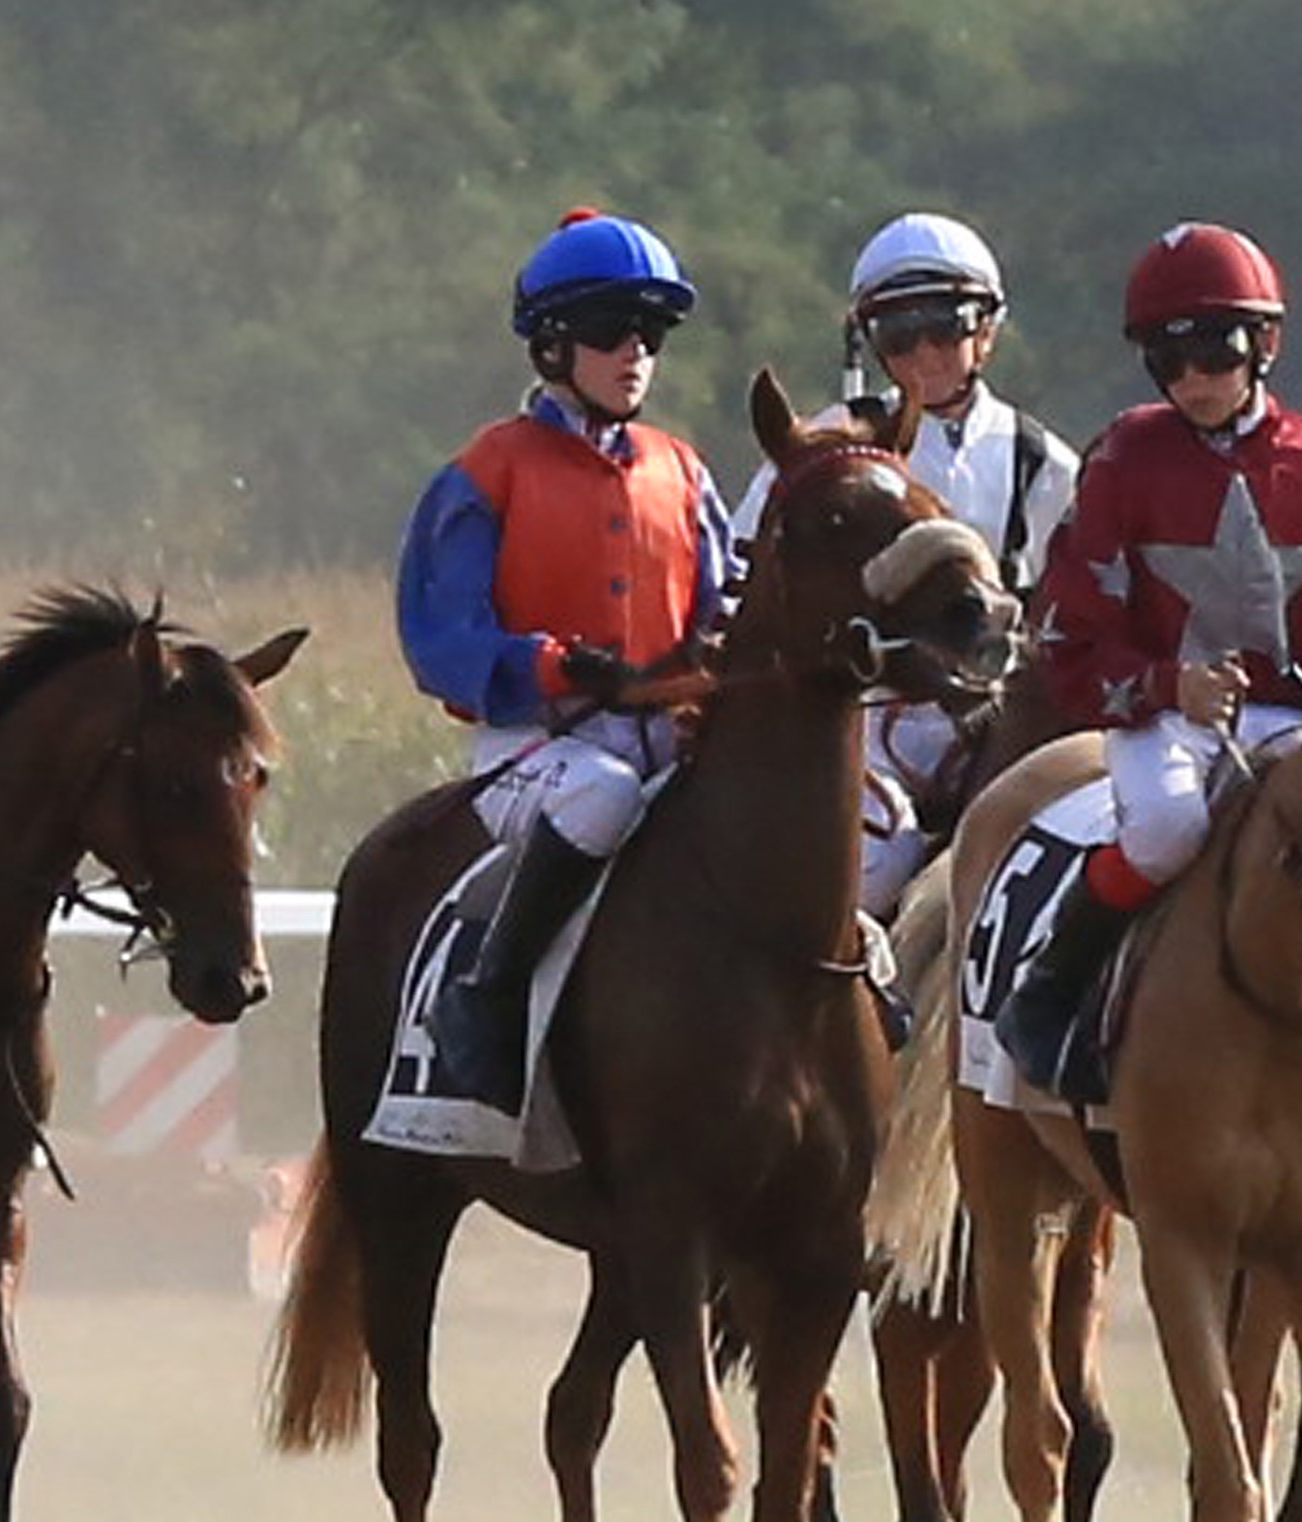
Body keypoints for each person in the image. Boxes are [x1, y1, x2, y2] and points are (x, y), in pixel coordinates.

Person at [999, 220, 1302, 1093]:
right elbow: (1070, 637)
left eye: (1213, 352)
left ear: (1265, 344)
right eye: (1166, 359)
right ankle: (1051, 990)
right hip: (1166, 722)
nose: (1192, 380)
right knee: (1165, 828)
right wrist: (1165, 686)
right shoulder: (1119, 461)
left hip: (1298, 721)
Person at [395, 208, 731, 1108]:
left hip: (665, 738)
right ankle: (487, 993)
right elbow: (440, 639)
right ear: (551, 346)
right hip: (533, 751)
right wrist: (550, 667)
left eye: (651, 332)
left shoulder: (685, 471)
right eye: (610, 331)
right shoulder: (486, 470)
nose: (636, 352)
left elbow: (723, 607)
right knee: (602, 793)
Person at [735, 209, 1078, 925]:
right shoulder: (823, 448)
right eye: (899, 333)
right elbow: (743, 584)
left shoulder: (1043, 462)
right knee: (877, 865)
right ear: (870, 341)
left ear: (986, 330)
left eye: (945, 326)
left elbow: (1069, 605)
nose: (925, 353)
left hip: (999, 714)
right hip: (867, 710)